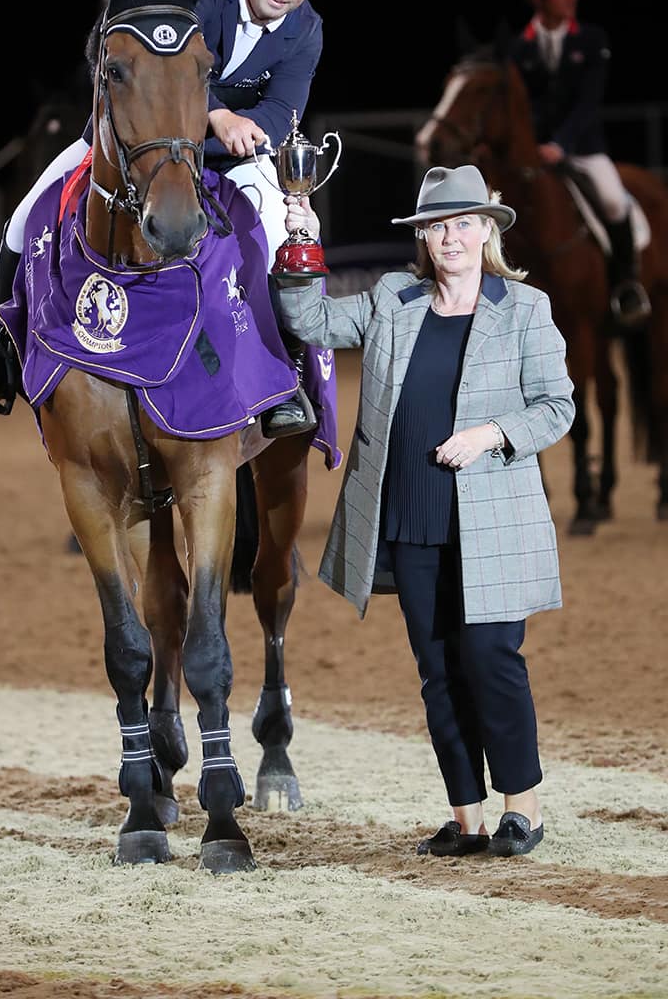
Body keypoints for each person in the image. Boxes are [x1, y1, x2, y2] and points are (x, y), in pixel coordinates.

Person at [274, 165, 575, 858]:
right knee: (437, 670)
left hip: (490, 522)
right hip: (409, 517)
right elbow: (310, 320)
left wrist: (491, 435)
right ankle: (467, 819)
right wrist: (303, 248)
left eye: (464, 223)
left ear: (487, 231)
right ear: (423, 238)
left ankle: (521, 811)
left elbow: (557, 407)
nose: (451, 237)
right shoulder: (393, 300)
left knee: (492, 659)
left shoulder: (525, 309)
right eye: (438, 225)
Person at [0, 0, 332, 432]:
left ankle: (281, 378)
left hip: (230, 157)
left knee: (271, 238)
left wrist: (235, 134)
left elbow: (283, 109)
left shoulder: (306, 29)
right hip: (134, 142)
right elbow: (159, 62)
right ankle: (0, 352)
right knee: (22, 220)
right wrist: (216, 114)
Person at [506, 0, 651, 326]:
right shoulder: (519, 48)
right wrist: (533, 145)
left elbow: (589, 101)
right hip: (535, 154)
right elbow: (522, 106)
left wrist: (562, 144)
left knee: (614, 202)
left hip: (584, 149)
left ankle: (626, 284)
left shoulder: (591, 39)